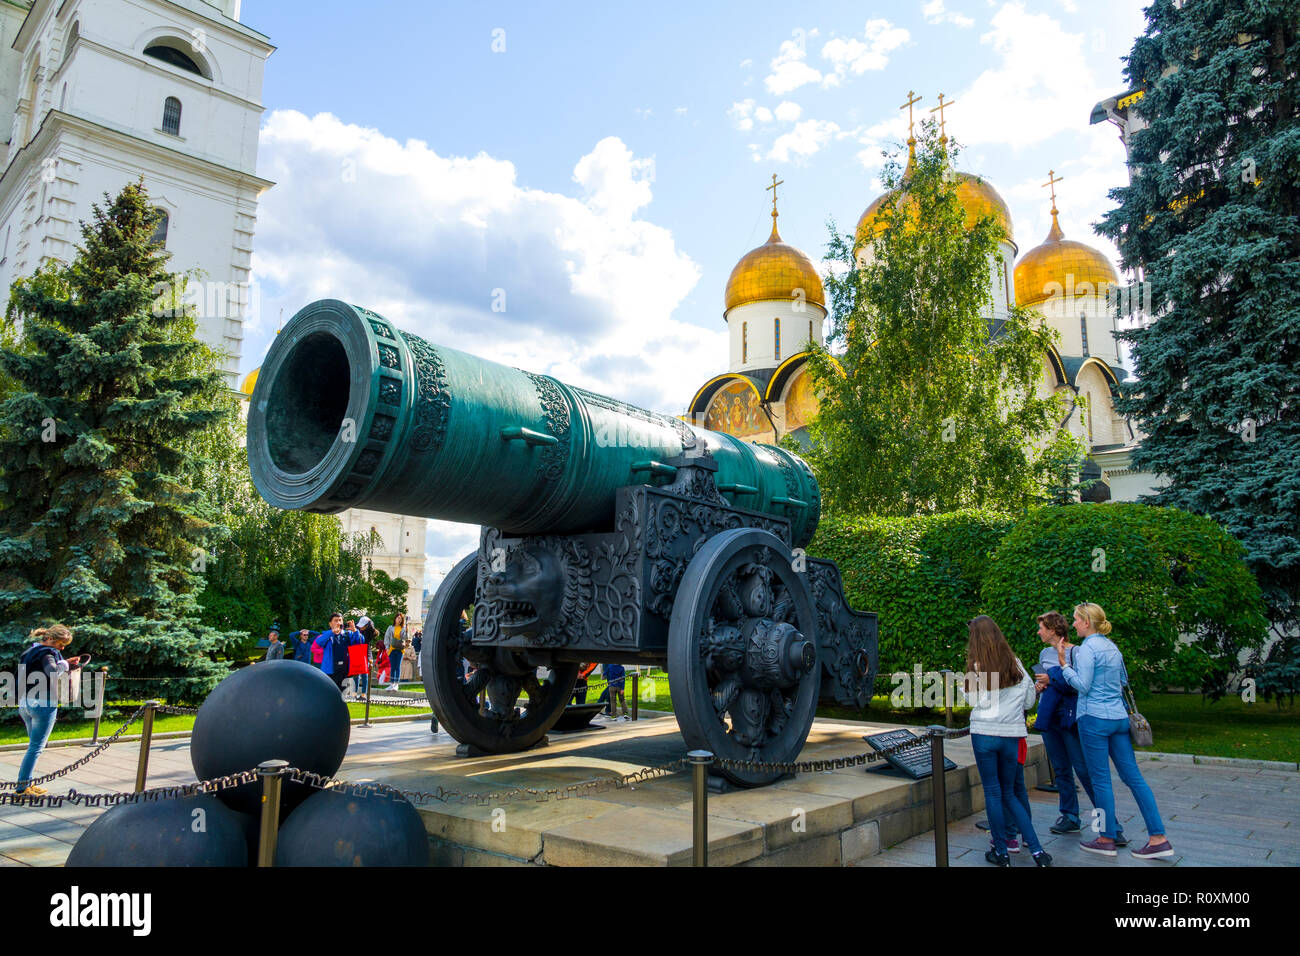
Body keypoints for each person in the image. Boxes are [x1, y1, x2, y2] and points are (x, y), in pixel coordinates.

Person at [1060, 603, 1172, 860]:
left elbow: (1083, 686)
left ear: (1087, 622)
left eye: (1076, 619)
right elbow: (1122, 681)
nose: (1074, 623)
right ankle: (1158, 837)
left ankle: (1105, 837)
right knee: (1134, 778)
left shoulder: (1088, 649)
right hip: (1119, 718)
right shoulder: (1112, 647)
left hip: (1094, 719)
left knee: (1100, 781)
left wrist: (1066, 668)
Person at [1032, 611, 1126, 845]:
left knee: (1084, 771)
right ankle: (1069, 816)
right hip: (1049, 716)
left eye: (1042, 627)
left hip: (1071, 718)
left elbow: (1082, 685)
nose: (1039, 631)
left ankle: (1110, 825)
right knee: (1061, 769)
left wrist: (1052, 678)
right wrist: (1040, 685)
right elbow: (1049, 683)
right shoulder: (1044, 653)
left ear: (1053, 629)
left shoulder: (1077, 651)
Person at [965, 615, 1051, 867]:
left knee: (992, 792)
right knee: (1011, 794)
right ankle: (1038, 852)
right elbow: (1027, 703)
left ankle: (1001, 851)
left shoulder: (977, 667)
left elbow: (972, 702)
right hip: (1011, 735)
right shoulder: (1016, 664)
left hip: (984, 733)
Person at [15, 625, 83, 796]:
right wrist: (65, 663)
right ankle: (22, 788)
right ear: (51, 639)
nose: (62, 648)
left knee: (34, 746)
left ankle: (26, 783)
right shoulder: (47, 653)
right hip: (43, 703)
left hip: (25, 703)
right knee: (36, 747)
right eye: (61, 644)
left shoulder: (30, 651)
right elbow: (52, 671)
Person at [314, 613, 365, 696]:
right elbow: (319, 642)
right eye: (335, 620)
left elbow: (360, 642)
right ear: (330, 624)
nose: (338, 623)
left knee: (342, 696)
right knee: (329, 695)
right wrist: (331, 632)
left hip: (344, 671)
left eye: (340, 620)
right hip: (330, 671)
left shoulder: (348, 634)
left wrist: (355, 631)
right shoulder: (327, 635)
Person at [384, 613, 407, 691]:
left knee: (398, 667)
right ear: (395, 619)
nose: (399, 620)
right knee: (392, 667)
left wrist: (406, 633)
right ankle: (391, 684)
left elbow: (405, 639)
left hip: (400, 649)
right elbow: (386, 638)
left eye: (400, 618)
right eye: (398, 618)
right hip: (391, 649)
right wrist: (387, 648)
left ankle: (396, 684)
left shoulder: (403, 629)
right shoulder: (390, 628)